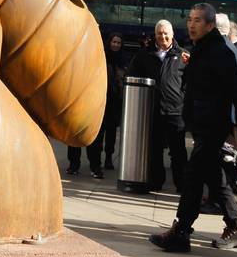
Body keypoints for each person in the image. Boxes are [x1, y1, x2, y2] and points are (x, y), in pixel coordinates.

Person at [150, 3, 237, 252]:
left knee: (193, 177)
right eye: (189, 19)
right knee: (213, 177)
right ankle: (236, 225)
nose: (191, 25)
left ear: (209, 25)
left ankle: (181, 232)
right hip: (201, 125)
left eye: (198, 21)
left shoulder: (221, 51)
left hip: (212, 127)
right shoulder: (202, 49)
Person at [126, 20, 187, 193]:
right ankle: (155, 182)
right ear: (155, 35)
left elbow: (190, 82)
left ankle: (181, 185)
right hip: (152, 111)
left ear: (172, 34)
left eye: (166, 33)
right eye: (159, 33)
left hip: (176, 111)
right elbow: (132, 77)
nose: (163, 36)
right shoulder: (144, 54)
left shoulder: (183, 56)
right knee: (154, 150)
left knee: (178, 152)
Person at [66, 31, 125, 178]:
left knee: (97, 136)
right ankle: (74, 164)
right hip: (84, 99)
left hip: (105, 102)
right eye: (114, 42)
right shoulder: (93, 55)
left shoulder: (111, 59)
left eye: (118, 42)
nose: (115, 45)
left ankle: (95, 165)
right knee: (76, 132)